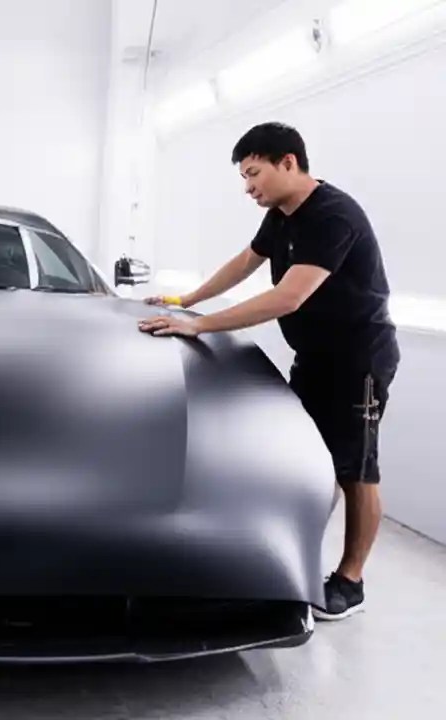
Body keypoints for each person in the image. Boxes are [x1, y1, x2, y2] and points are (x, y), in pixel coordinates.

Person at [137, 122, 399, 621]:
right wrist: (189, 300)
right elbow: (246, 262)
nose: (248, 187)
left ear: (288, 163)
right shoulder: (281, 215)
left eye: (254, 174)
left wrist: (201, 326)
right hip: (315, 357)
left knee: (356, 471)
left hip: (358, 360)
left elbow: (288, 296)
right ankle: (292, 561)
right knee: (304, 459)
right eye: (243, 177)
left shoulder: (333, 216)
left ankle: (350, 581)